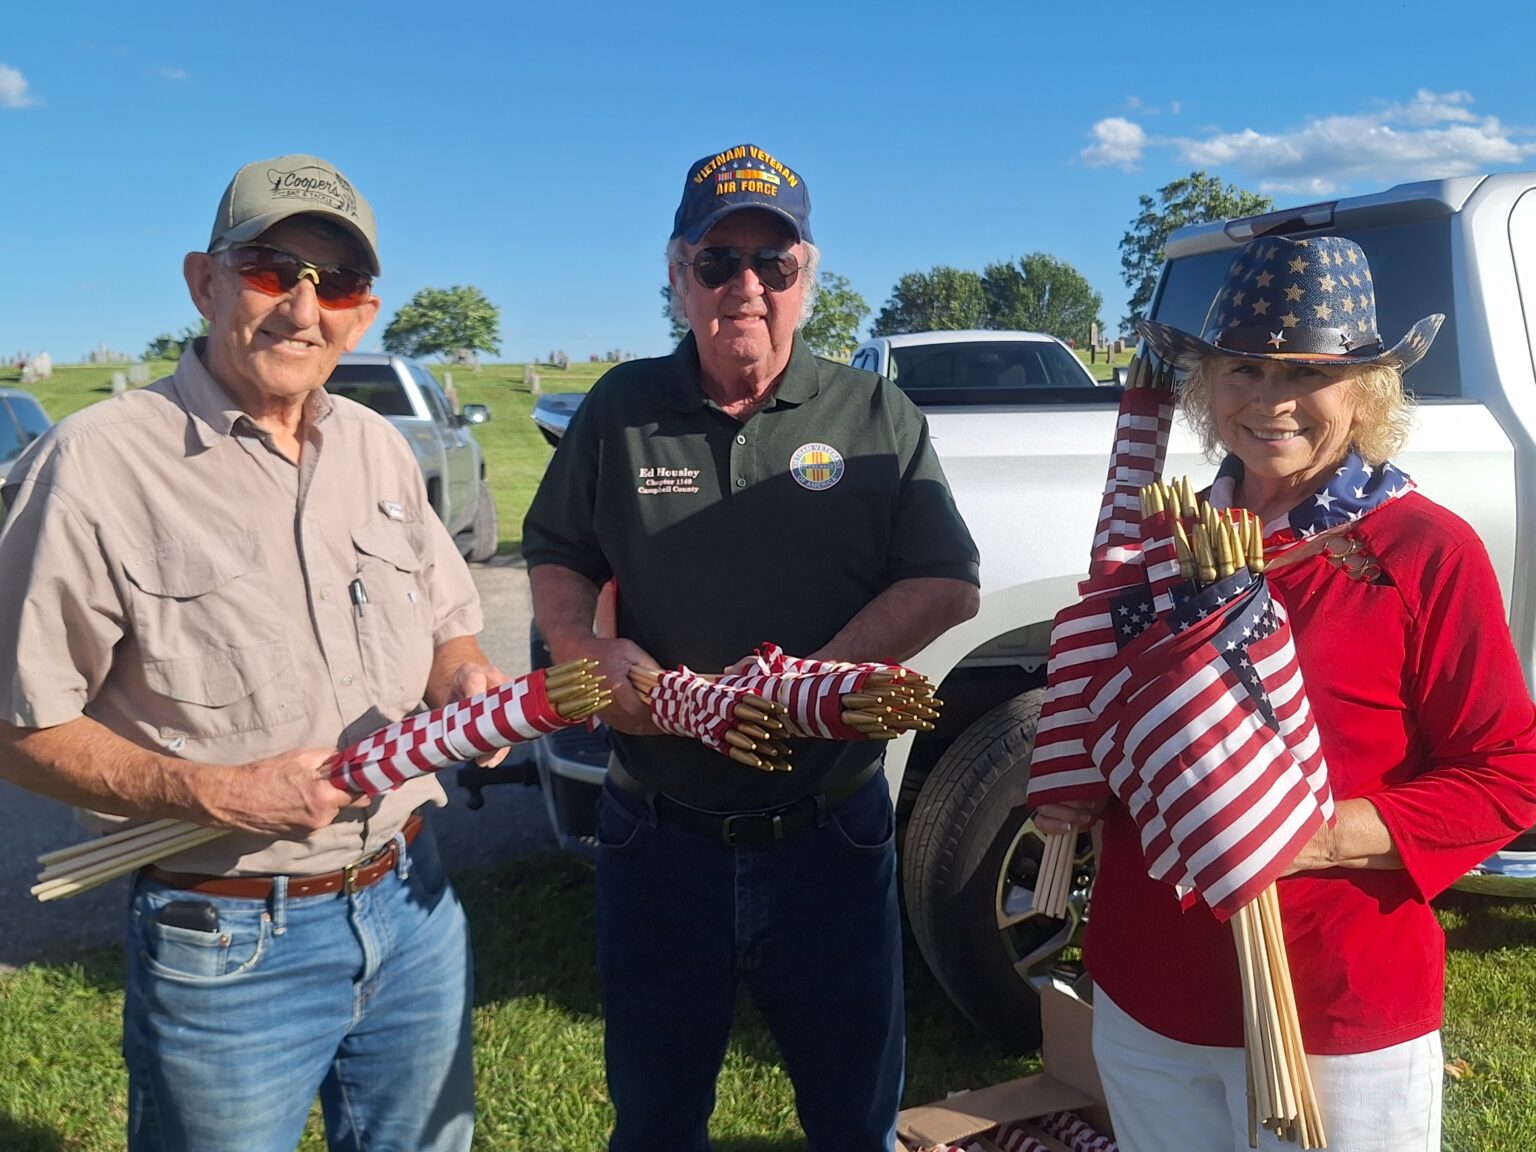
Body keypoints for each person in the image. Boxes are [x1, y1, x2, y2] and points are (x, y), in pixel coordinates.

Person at [0, 154, 501, 1152]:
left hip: (414, 905)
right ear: (205, 280)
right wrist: (220, 794)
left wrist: (466, 685)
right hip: (228, 937)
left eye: (340, 284)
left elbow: (452, 623)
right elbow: (18, 731)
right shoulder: (93, 467)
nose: (304, 310)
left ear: (365, 311)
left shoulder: (378, 447)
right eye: (275, 268)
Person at [523, 143, 980, 1150]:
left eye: (772, 264)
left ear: (805, 277)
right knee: (653, 1118)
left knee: (851, 1119)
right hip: (657, 835)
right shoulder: (621, 410)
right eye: (717, 259)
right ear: (678, 274)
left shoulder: (872, 413)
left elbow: (947, 581)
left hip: (826, 833)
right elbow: (556, 545)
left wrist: (797, 686)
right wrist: (576, 641)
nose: (745, 287)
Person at [1038, 235, 1536, 1151]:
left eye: (1305, 373)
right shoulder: (1161, 544)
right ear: (1206, 383)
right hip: (1149, 991)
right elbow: (1134, 737)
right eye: (1243, 369)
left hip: (1337, 1004)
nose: (1268, 401)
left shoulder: (1423, 551)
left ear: (1365, 391)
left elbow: (1509, 774)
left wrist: (1317, 835)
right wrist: (1077, 779)